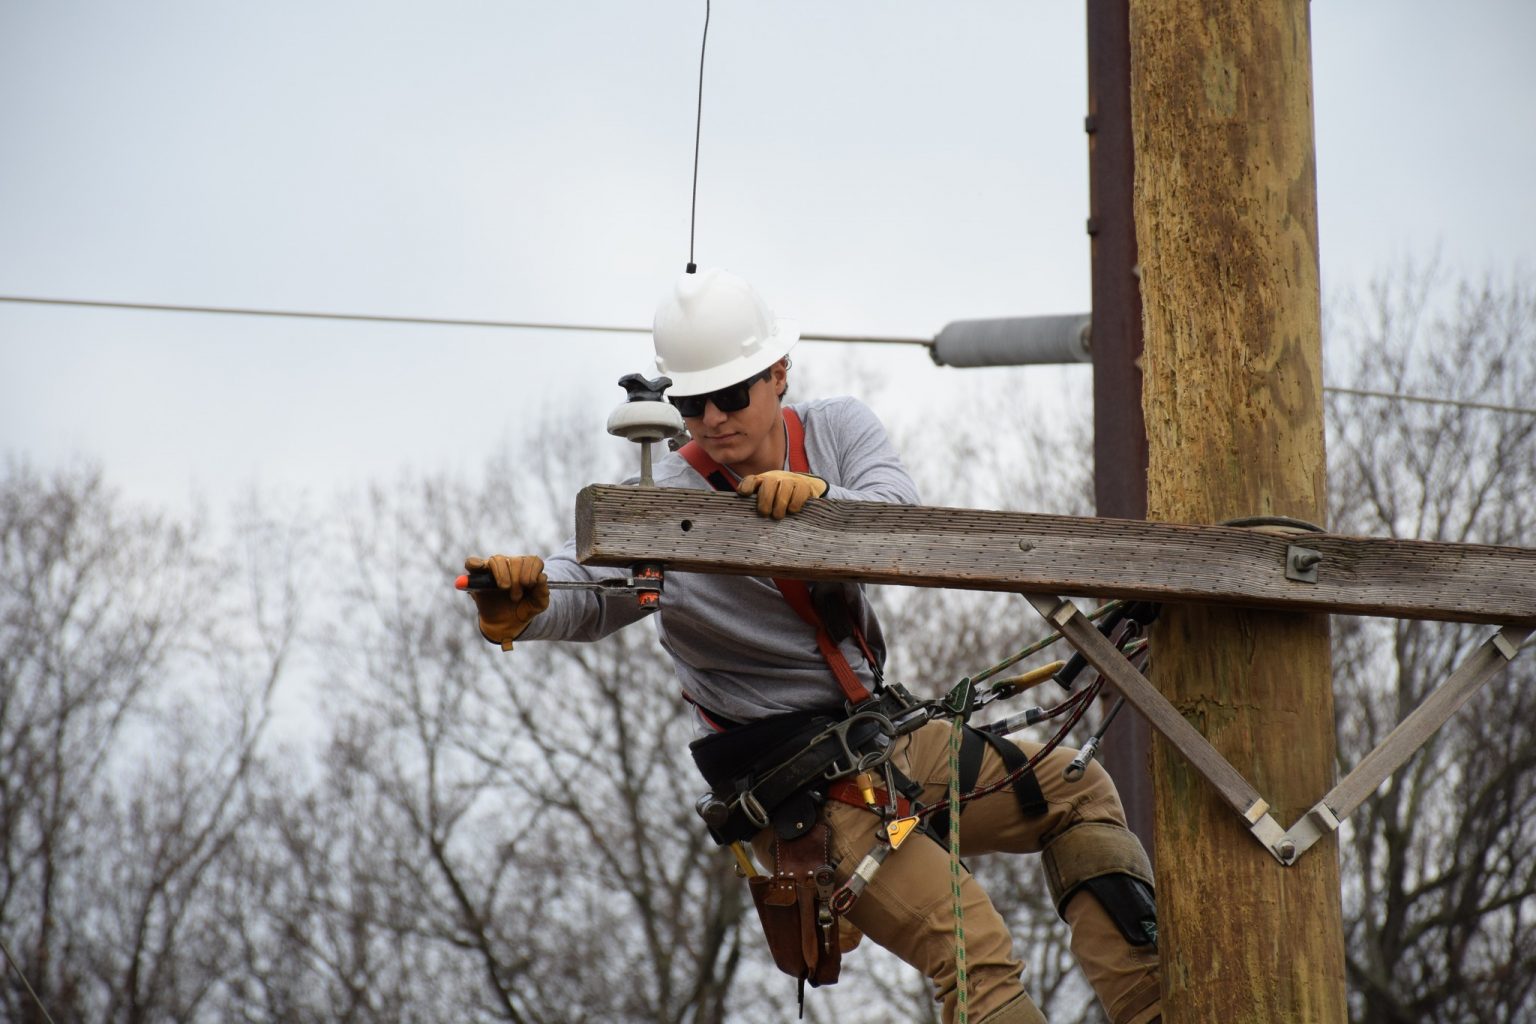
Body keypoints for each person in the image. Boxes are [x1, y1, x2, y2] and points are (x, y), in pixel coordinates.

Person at [464, 267, 1161, 1024]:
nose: (713, 420)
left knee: (1076, 790)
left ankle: (1153, 1012)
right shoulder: (668, 506)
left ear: (778, 375)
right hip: (805, 791)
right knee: (968, 941)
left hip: (888, 738)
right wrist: (526, 605)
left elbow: (901, 519)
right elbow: (590, 591)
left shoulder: (836, 431)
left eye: (732, 396)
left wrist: (825, 509)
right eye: (693, 405)